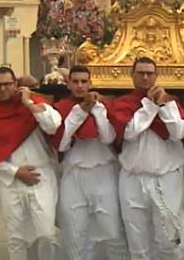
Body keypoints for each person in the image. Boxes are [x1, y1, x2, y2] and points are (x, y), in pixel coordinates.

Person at [109, 56, 184, 260]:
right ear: (132, 75)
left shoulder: (170, 103)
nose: (145, 77)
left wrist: (164, 107)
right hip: (133, 178)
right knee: (137, 237)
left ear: (156, 75)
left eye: (150, 73)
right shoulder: (122, 104)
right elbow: (130, 132)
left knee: (169, 237)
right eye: (141, 73)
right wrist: (150, 106)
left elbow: (179, 132)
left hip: (166, 178)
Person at [0, 67, 62, 260]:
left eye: (7, 84)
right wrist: (15, 171)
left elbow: (52, 125)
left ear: (15, 84)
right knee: (16, 236)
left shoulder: (34, 103)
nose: (3, 89)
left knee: (47, 234)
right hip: (11, 180)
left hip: (41, 176)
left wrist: (28, 103)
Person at [52, 65, 129, 260]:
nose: (79, 86)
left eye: (83, 81)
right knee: (75, 228)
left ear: (90, 83)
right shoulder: (61, 108)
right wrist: (79, 112)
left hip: (102, 171)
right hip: (74, 172)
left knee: (110, 227)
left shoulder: (102, 105)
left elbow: (108, 137)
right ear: (68, 84)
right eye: (75, 81)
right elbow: (61, 144)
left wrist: (97, 111)